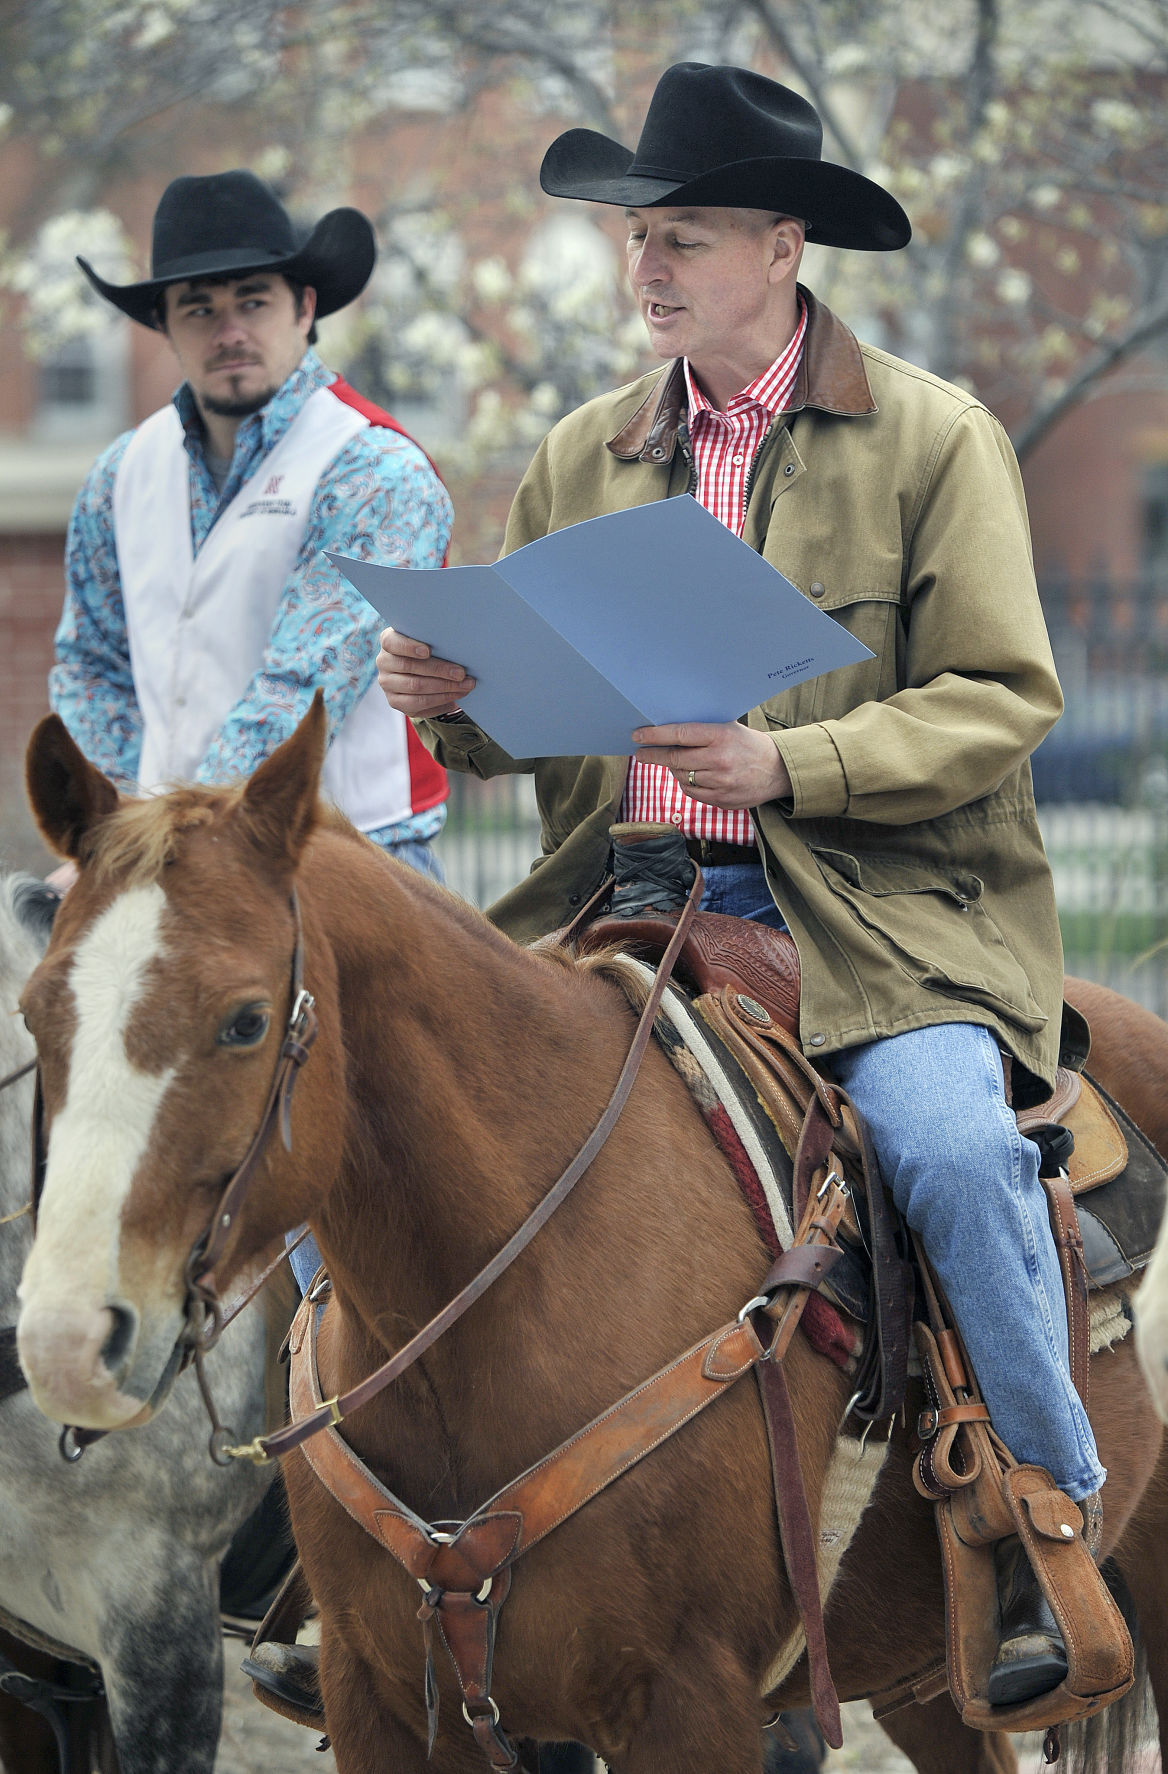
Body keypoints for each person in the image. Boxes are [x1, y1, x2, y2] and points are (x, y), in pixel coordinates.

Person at [378, 62, 1102, 1706]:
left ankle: (1047, 1514)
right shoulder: (579, 452)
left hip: (866, 911)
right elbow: (525, 726)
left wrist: (793, 765)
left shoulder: (932, 438)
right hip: (624, 896)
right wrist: (457, 699)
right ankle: (350, 1541)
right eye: (635, 239)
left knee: (942, 1141)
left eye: (682, 237)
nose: (644, 269)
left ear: (781, 245)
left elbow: (1002, 697)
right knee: (365, 1092)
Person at [53, 168, 452, 903]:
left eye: (253, 301)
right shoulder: (118, 475)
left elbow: (301, 691)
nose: (229, 330)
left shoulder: (374, 468)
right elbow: (90, 667)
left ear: (304, 308)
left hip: (353, 867)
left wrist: (155, 842)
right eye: (199, 309)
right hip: (165, 862)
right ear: (165, 326)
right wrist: (118, 833)